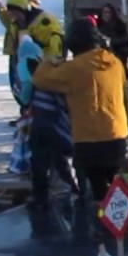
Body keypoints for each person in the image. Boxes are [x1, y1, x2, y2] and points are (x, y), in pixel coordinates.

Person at [31, 19, 128, 227]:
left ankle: (107, 227)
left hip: (90, 138)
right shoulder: (115, 62)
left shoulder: (75, 68)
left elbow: (41, 80)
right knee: (116, 182)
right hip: (118, 134)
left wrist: (49, 61)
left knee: (99, 189)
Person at [16, 35, 79, 214]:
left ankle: (40, 196)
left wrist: (25, 102)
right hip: (56, 119)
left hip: (42, 121)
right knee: (60, 157)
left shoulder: (25, 65)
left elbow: (26, 91)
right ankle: (75, 189)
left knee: (39, 160)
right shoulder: (52, 67)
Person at [96, 3, 128, 74]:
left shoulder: (120, 27)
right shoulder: (97, 27)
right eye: (104, 12)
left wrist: (114, 55)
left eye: (108, 12)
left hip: (117, 64)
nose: (105, 14)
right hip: (100, 66)